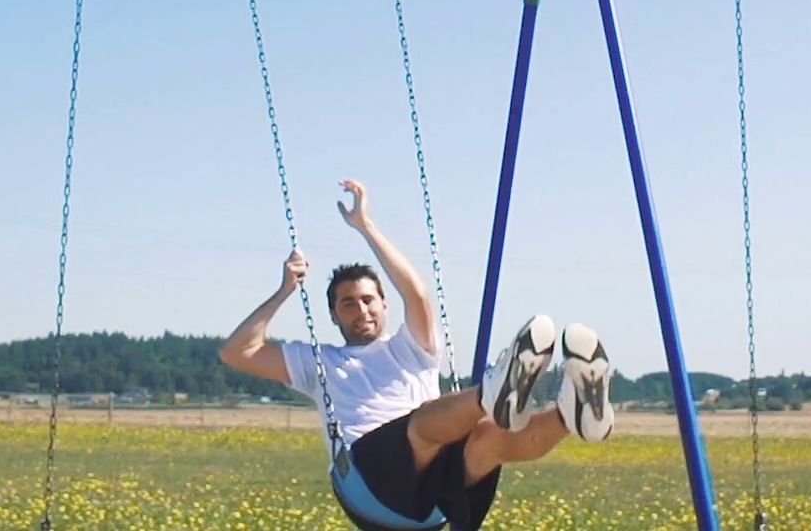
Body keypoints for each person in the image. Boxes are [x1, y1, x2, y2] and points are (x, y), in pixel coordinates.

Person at [219, 179, 614, 531]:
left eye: (368, 300)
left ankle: (571, 415)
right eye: (348, 304)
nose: (361, 310)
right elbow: (239, 352)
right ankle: (491, 395)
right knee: (421, 426)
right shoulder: (319, 363)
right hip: (368, 487)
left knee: (489, 440)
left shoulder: (411, 347)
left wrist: (366, 226)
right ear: (334, 315)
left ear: (385, 304)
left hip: (433, 508)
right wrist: (285, 290)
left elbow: (417, 293)